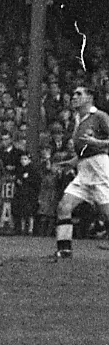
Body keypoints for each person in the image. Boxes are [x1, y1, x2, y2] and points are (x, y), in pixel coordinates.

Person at [51, 84, 109, 259]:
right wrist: (72, 162)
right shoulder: (78, 119)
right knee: (64, 206)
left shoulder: (99, 116)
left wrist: (97, 143)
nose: (74, 96)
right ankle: (64, 249)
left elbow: (97, 145)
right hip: (84, 169)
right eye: (73, 93)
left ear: (89, 97)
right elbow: (84, 149)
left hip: (99, 168)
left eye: (78, 94)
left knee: (107, 213)